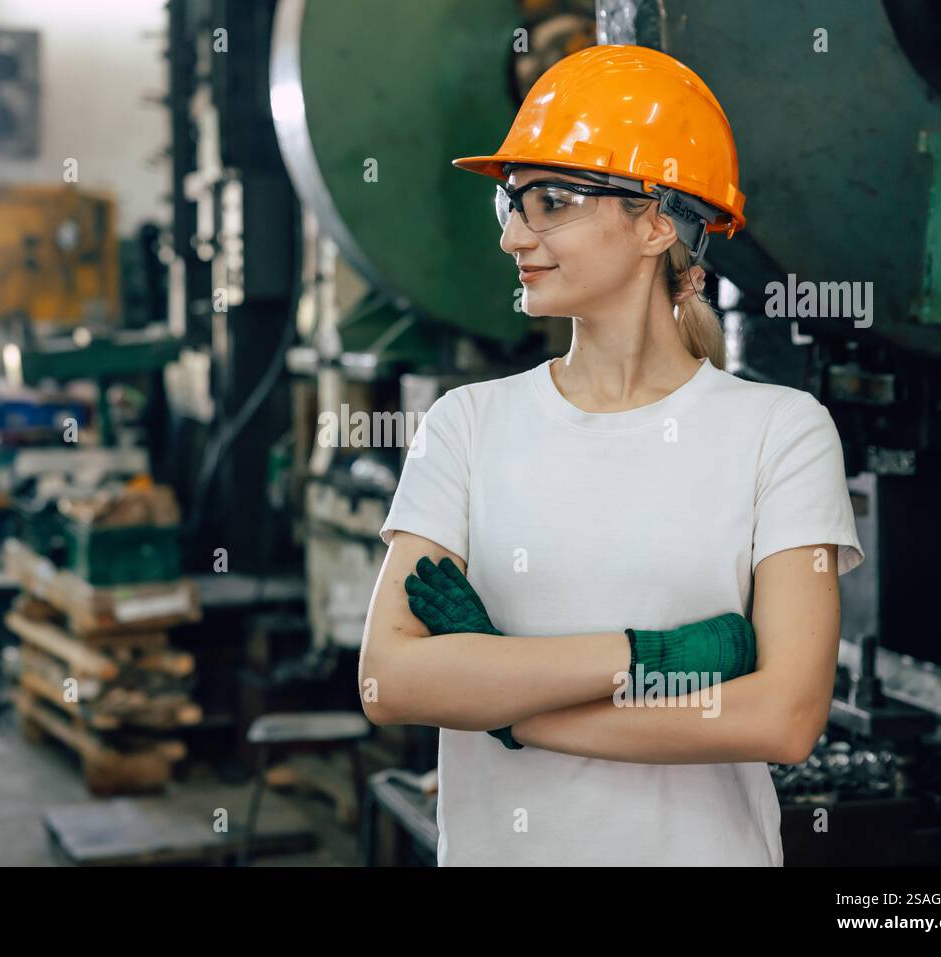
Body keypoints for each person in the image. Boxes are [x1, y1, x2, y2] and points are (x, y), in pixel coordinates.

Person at [357, 45, 864, 866]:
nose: (514, 235)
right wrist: (650, 657)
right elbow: (389, 680)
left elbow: (784, 717)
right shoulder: (466, 424)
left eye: (550, 200)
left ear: (658, 221)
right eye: (509, 203)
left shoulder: (782, 432)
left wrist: (510, 706)